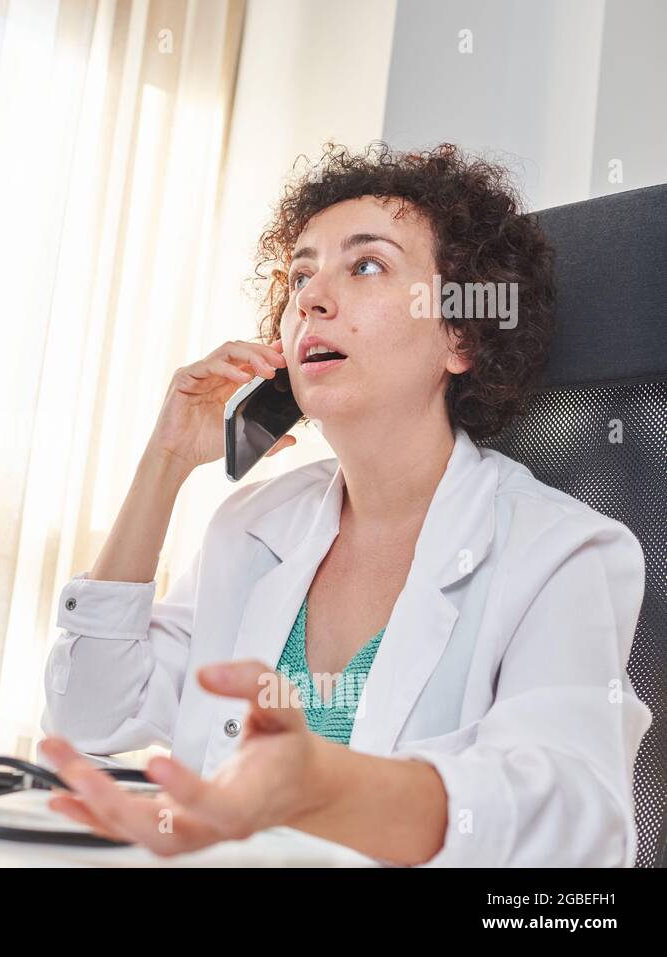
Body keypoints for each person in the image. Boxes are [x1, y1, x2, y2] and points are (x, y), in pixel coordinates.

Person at [38, 142, 652, 866]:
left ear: (460, 334)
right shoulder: (254, 525)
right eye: (301, 274)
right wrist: (164, 463)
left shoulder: (564, 552)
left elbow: (575, 821)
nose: (310, 298)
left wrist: (324, 788)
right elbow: (87, 717)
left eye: (366, 265)